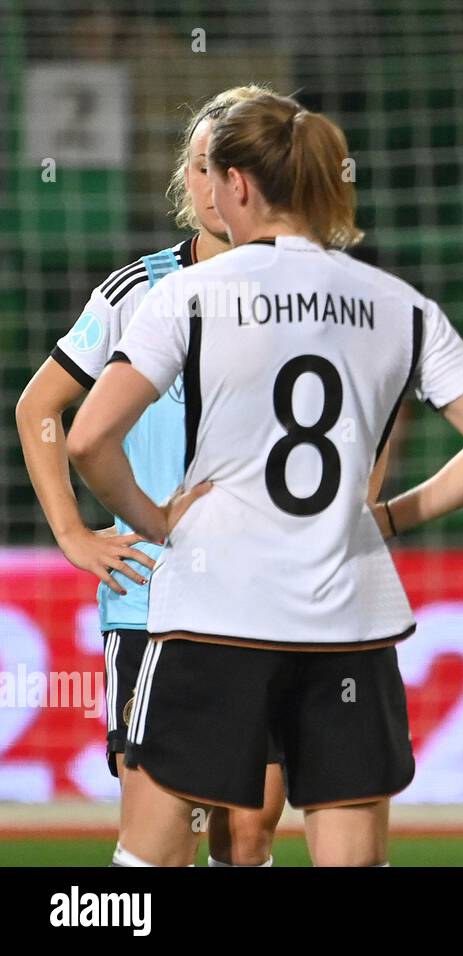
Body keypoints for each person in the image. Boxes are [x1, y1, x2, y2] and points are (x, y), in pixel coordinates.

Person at [66, 92, 463, 866]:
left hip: (217, 610)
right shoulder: (398, 304)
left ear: (241, 185)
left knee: (149, 863)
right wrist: (385, 519)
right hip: (346, 618)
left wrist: (150, 518)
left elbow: (87, 438)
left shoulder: (187, 294)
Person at [14, 84, 298, 867]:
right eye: (203, 166)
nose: (216, 185)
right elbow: (41, 408)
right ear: (189, 176)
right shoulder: (138, 291)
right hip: (152, 597)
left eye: (232, 167)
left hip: (263, 594)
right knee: (166, 826)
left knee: (250, 828)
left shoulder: (309, 295)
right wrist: (73, 531)